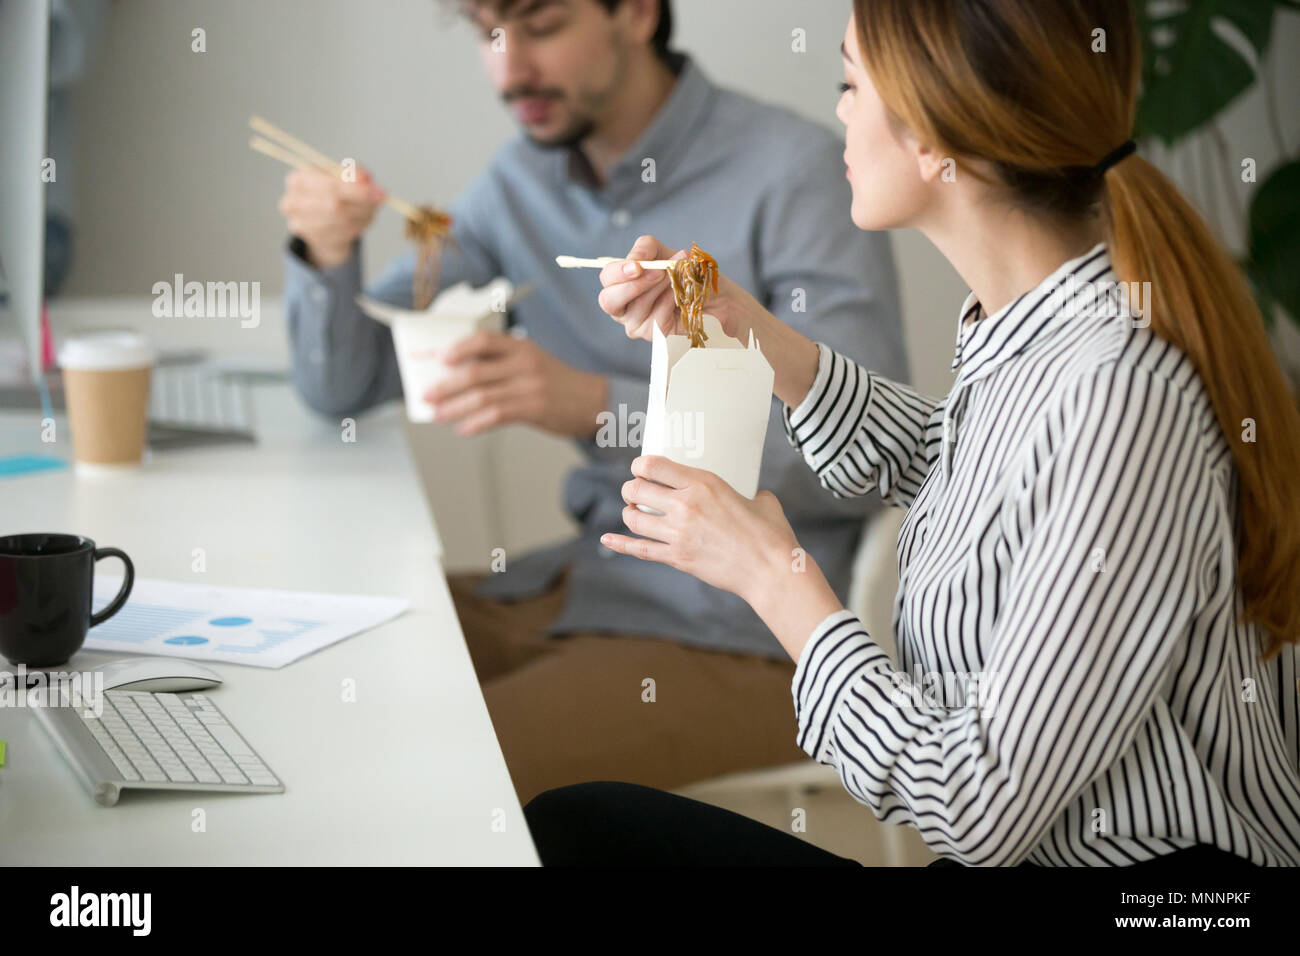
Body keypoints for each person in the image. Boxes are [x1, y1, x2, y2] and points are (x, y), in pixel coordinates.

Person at [524, 0, 1300, 867]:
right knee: (578, 825)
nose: (841, 113)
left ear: (936, 144)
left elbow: (981, 807)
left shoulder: (1120, 394)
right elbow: (970, 472)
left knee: (576, 836)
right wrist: (755, 335)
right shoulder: (1042, 329)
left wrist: (773, 576)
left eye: (850, 84)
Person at [275, 0, 908, 803]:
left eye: (540, 28)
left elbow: (860, 464)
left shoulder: (800, 173)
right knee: (321, 684)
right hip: (581, 585)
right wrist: (324, 252)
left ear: (637, 13)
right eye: (487, 35)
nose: (510, 71)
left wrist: (594, 404)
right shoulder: (519, 186)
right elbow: (345, 386)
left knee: (437, 782)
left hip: (748, 637)